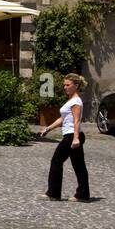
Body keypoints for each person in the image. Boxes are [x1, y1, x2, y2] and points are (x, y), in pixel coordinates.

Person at [40, 73, 91, 202]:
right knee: (79, 165)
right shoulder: (70, 100)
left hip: (72, 135)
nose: (65, 87)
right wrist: (48, 129)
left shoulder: (76, 101)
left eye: (68, 85)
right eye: (64, 85)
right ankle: (83, 194)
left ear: (76, 86)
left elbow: (76, 121)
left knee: (56, 161)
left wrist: (75, 138)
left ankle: (53, 193)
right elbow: (62, 119)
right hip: (72, 135)